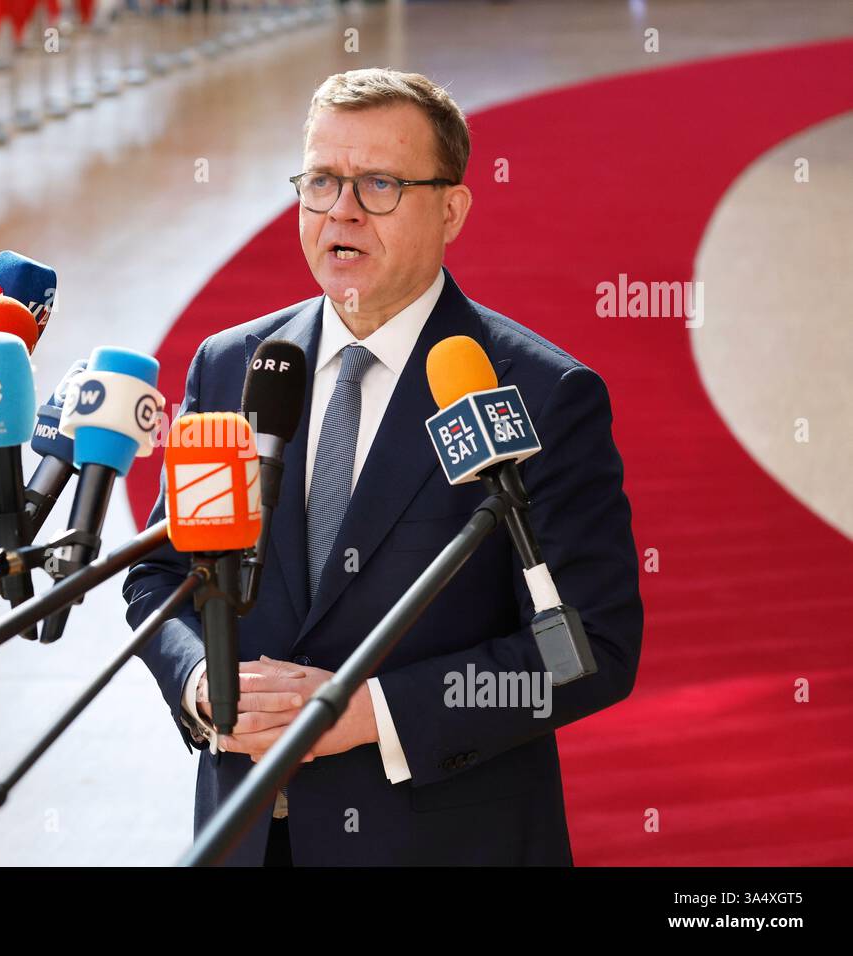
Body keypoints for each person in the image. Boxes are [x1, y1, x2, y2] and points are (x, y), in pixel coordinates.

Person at [124, 68, 643, 866]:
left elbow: (589, 652)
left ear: (453, 209)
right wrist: (203, 685)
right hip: (248, 836)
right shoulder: (234, 369)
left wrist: (364, 712)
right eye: (323, 181)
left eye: (379, 184)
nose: (342, 210)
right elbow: (163, 578)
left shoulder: (539, 395)